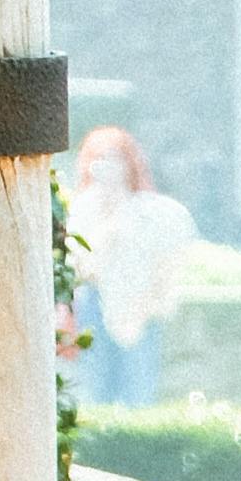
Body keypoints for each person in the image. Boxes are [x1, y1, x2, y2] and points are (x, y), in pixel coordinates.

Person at [70, 122, 199, 412]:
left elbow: (169, 258)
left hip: (139, 306)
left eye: (114, 159)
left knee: (137, 387)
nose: (106, 167)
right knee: (95, 385)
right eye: (99, 159)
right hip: (94, 304)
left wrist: (154, 299)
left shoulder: (153, 212)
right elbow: (80, 262)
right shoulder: (84, 208)